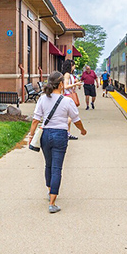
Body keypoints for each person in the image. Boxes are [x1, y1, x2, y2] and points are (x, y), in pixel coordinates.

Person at [27, 71, 87, 213]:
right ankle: (52, 203)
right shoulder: (67, 101)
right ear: (61, 84)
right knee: (57, 168)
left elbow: (36, 119)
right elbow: (76, 120)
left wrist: (31, 136)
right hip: (60, 135)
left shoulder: (42, 99)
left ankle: (50, 191)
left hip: (46, 135)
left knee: (48, 165)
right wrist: (83, 130)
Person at [61, 59, 82, 139]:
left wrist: (75, 82)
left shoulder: (69, 74)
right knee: (70, 116)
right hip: (68, 96)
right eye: (73, 65)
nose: (74, 67)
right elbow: (66, 86)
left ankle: (68, 133)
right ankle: (65, 133)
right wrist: (75, 84)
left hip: (68, 95)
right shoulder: (67, 75)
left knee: (69, 115)